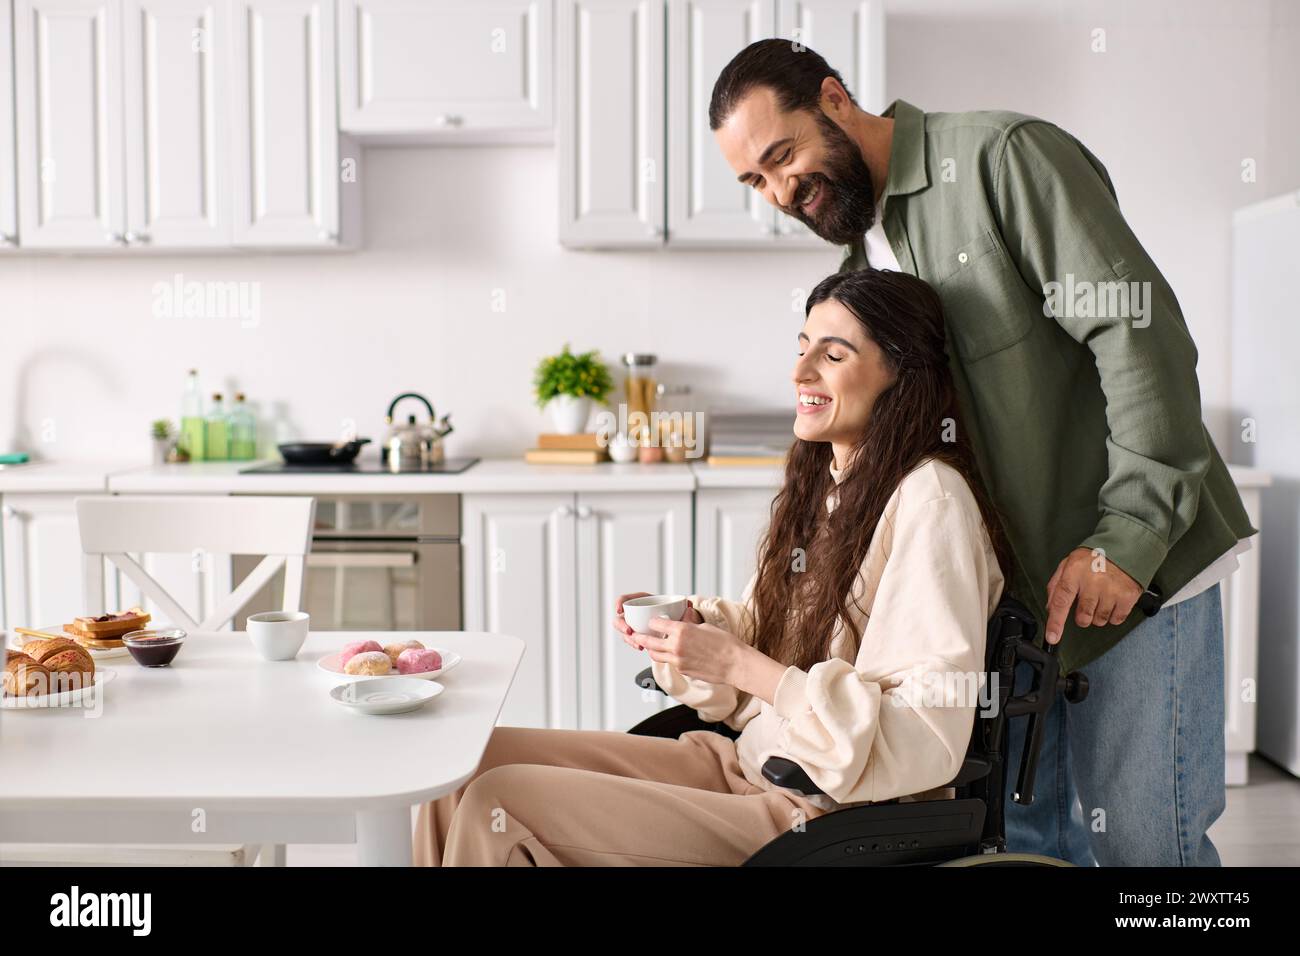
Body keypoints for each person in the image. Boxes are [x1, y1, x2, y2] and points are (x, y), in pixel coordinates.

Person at [707, 38, 1255, 865]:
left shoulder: (1003, 160)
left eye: (783, 156)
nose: (783, 191)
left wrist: (1126, 540)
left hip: (1137, 577)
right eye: (757, 182)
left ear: (833, 99)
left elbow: (1137, 333)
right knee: (1036, 851)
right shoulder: (867, 259)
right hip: (1025, 612)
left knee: (1149, 851)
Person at [413, 268, 1005, 866]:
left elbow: (926, 730)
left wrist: (740, 665)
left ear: (901, 374)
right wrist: (693, 633)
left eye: (832, 355)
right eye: (802, 350)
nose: (800, 373)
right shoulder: (831, 489)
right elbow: (765, 639)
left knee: (500, 799)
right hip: (742, 762)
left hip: (818, 814)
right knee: (463, 767)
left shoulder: (931, 498)